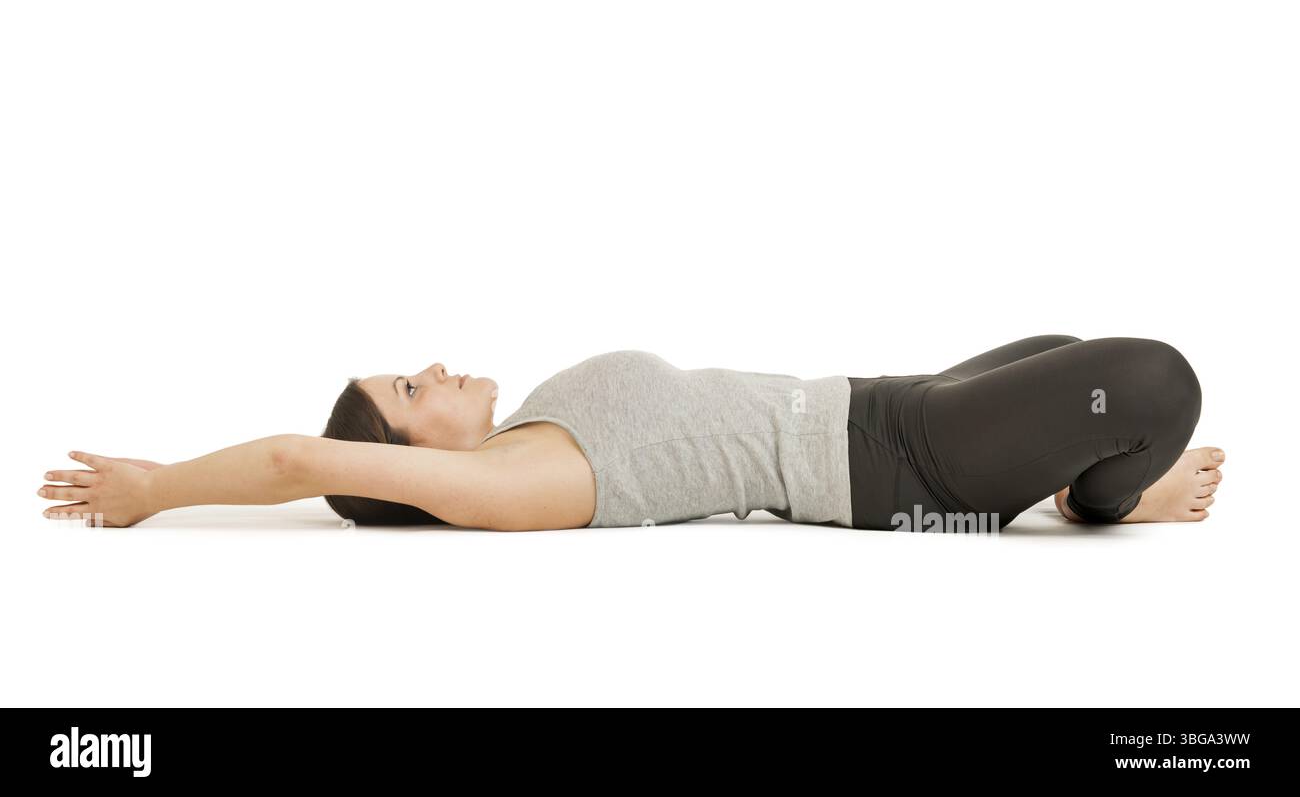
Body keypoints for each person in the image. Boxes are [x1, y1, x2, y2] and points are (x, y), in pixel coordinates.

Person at [37, 336, 1222, 532]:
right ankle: (1107, 503)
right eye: (413, 383)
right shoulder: (512, 483)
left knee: (1066, 350)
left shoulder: (531, 425)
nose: (436, 364)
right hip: (898, 466)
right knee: (1151, 381)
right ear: (415, 458)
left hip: (878, 398)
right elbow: (301, 458)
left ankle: (1080, 491)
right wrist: (155, 485)